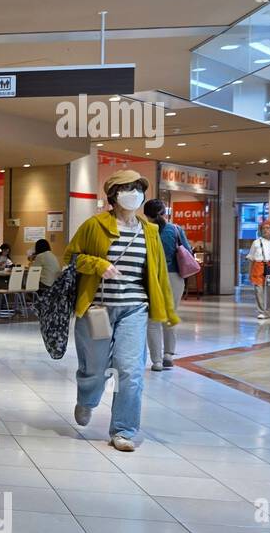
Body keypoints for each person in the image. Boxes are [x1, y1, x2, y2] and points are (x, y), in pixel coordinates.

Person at [63, 170, 178, 452]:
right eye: (127, 188)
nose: (134, 194)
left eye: (138, 188)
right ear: (113, 196)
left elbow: (158, 273)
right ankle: (87, 399)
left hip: (135, 308)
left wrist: (167, 310)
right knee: (95, 368)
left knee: (131, 370)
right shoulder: (94, 225)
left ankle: (124, 430)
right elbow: (71, 258)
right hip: (97, 309)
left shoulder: (150, 231)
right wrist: (98, 265)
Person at [144, 199, 188, 369]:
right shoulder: (175, 229)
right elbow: (187, 251)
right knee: (170, 315)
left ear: (146, 215)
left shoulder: (144, 231)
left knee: (153, 320)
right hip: (173, 277)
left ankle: (156, 361)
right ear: (164, 213)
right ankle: (168, 355)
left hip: (151, 277)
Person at [247, 221, 270, 320]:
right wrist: (249, 273)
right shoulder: (256, 242)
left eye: (268, 228)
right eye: (263, 228)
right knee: (258, 290)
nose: (265, 230)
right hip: (258, 267)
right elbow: (251, 258)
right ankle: (261, 311)